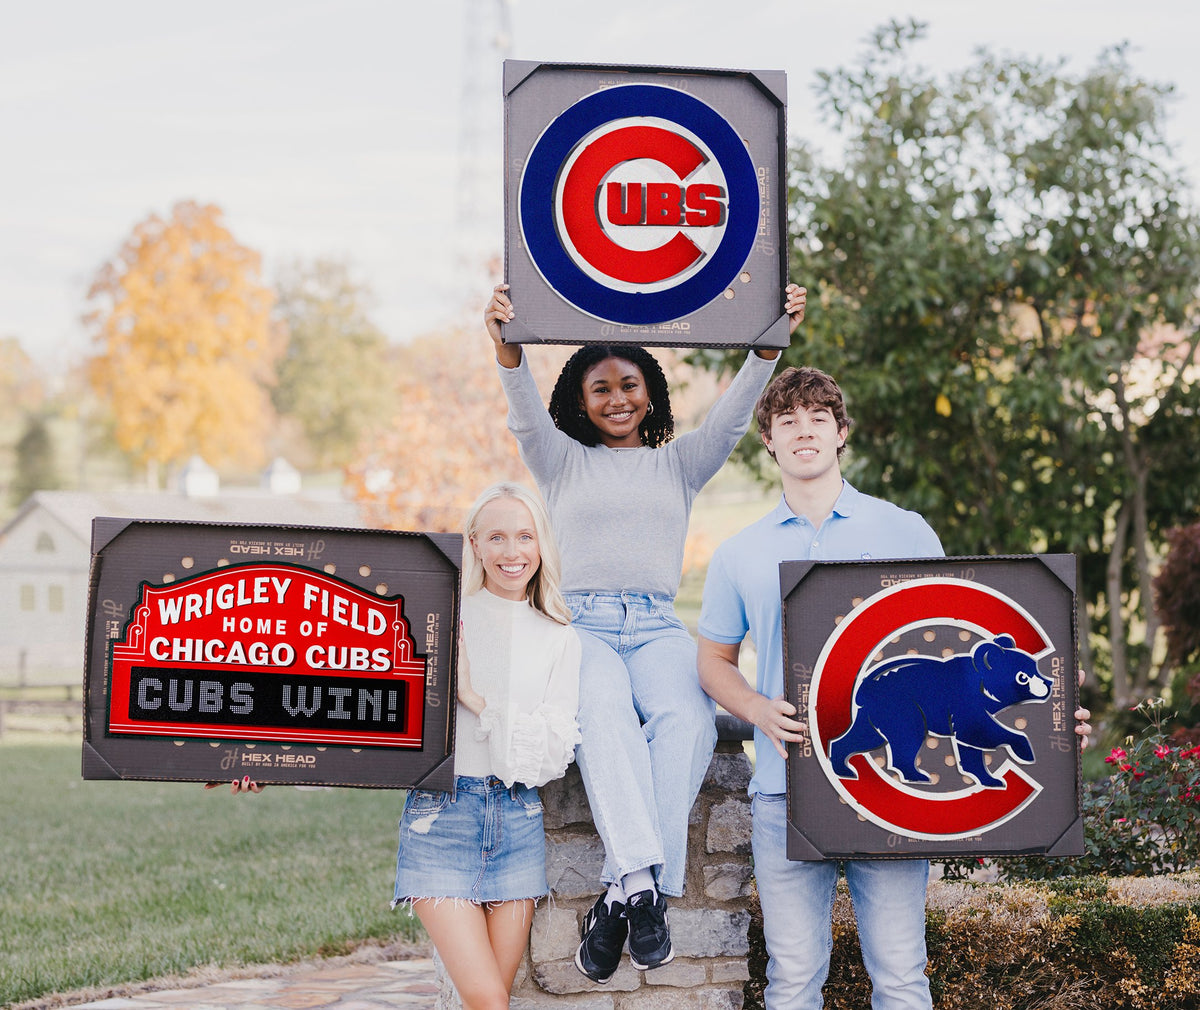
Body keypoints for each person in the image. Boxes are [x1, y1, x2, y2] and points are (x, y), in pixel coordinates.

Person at [695, 365, 1092, 1010]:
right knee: (793, 978)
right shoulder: (740, 552)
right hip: (785, 785)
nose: (803, 432)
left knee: (902, 974)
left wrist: (1053, 712)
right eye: (787, 421)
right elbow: (713, 659)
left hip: (897, 793)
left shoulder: (905, 530)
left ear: (841, 432)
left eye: (817, 419)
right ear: (767, 439)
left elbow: (968, 627)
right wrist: (755, 709)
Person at [484, 282, 806, 984]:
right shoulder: (560, 459)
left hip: (659, 624)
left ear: (650, 393)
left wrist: (769, 340)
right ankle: (644, 889)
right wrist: (506, 345)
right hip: (586, 624)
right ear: (581, 399)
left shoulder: (680, 463)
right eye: (600, 389)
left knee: (689, 721)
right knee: (600, 715)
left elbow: (728, 420)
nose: (617, 398)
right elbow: (521, 410)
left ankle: (619, 894)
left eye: (629, 384)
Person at [389, 481, 581, 1010]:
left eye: (524, 536)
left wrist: (476, 700)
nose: (511, 552)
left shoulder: (559, 635)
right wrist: (261, 758)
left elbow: (549, 751)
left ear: (541, 544)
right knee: (487, 1001)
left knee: (494, 999)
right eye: (495, 537)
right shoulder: (441, 617)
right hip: (440, 819)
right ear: (473, 544)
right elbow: (374, 706)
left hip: (516, 820)